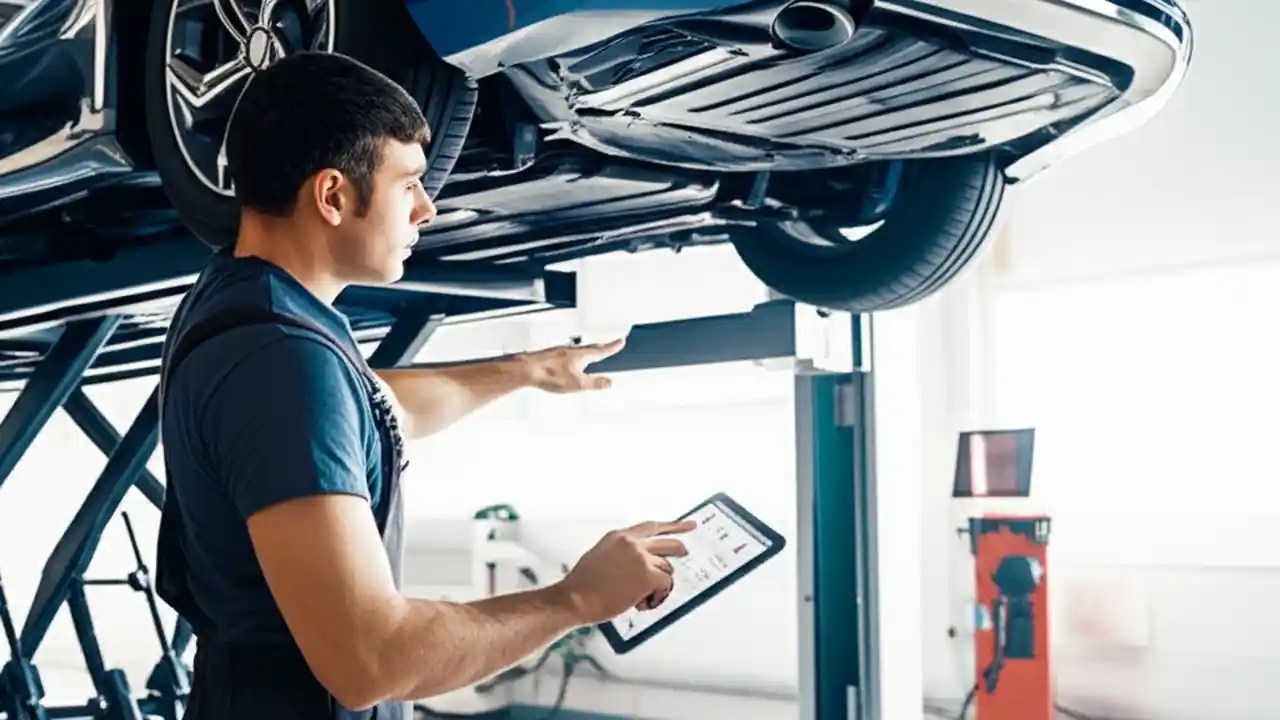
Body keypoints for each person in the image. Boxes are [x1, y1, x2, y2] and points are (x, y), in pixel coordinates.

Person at [156, 51, 693, 720]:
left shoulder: (244, 301)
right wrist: (575, 599)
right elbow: (371, 659)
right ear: (332, 195)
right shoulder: (281, 360)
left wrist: (523, 372)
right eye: (408, 183)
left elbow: (369, 416)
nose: (427, 209)